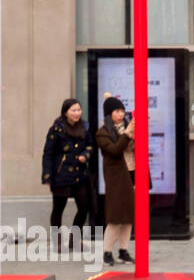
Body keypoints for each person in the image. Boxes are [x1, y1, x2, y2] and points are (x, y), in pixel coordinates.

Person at [41, 98, 95, 251]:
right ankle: (57, 242)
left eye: (79, 110)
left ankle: (74, 241)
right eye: (74, 110)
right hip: (61, 174)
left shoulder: (84, 127)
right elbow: (48, 154)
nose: (77, 113)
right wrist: (47, 175)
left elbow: (91, 146)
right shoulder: (56, 129)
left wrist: (86, 154)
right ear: (66, 113)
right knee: (59, 208)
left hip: (80, 173)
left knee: (84, 206)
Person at [95, 95, 136, 266]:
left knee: (128, 216)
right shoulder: (103, 132)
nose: (121, 114)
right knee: (115, 216)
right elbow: (114, 150)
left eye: (122, 110)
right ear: (109, 114)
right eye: (117, 111)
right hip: (116, 177)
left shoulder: (129, 127)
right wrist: (127, 135)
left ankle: (124, 250)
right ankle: (107, 251)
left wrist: (134, 135)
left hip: (132, 172)